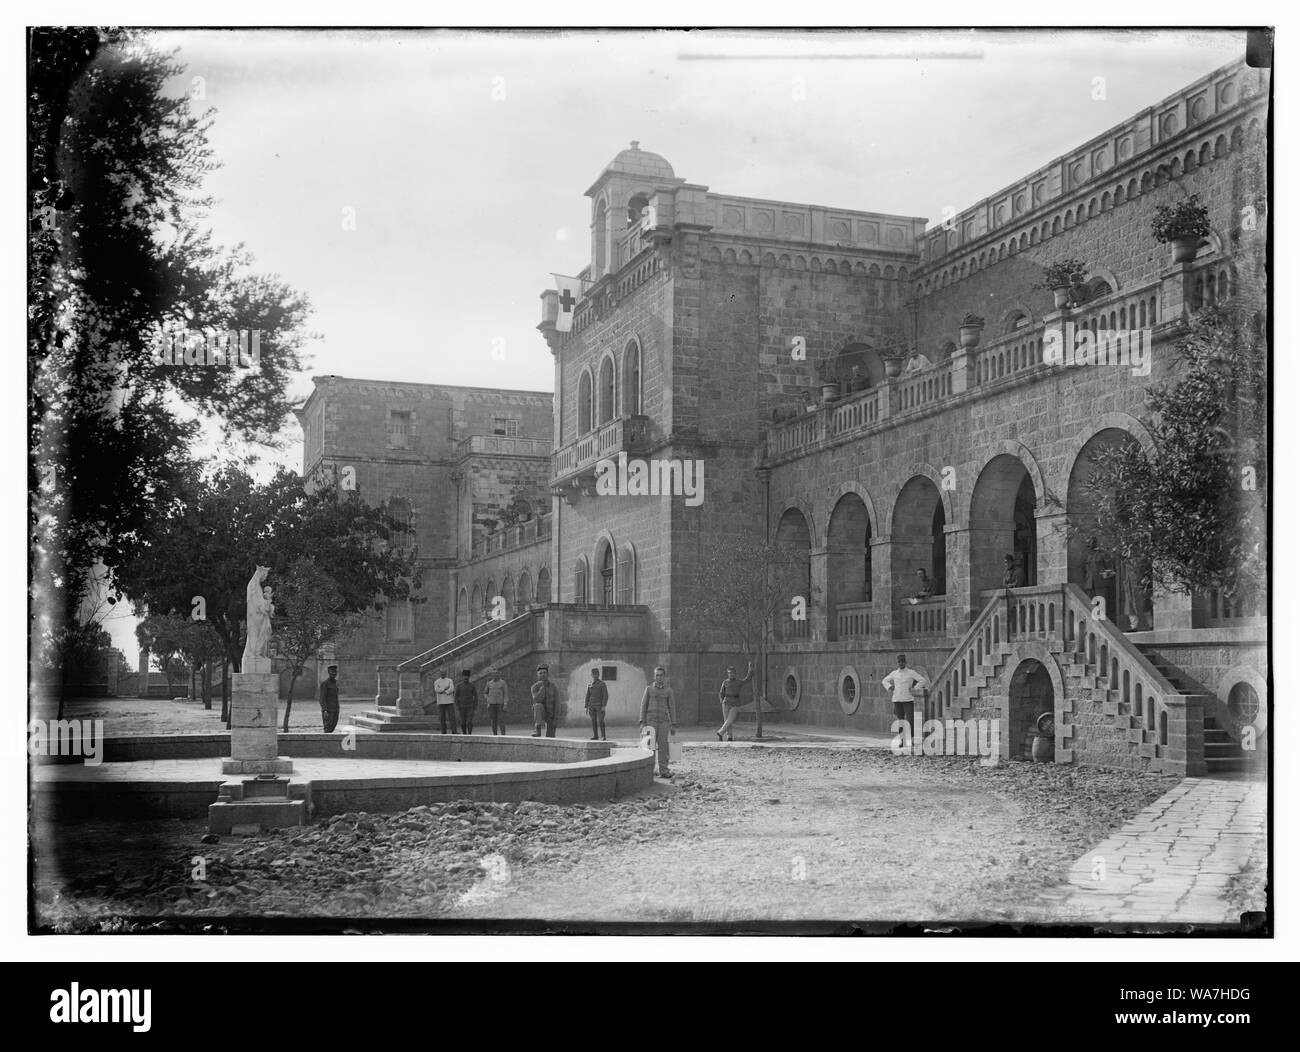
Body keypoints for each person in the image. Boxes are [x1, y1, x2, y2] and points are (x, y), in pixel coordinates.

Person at [638, 665, 677, 778]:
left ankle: (664, 770)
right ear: (654, 677)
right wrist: (642, 723)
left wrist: (673, 724)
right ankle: (648, 770)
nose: (659, 677)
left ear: (664, 677)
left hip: (664, 722)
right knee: (649, 747)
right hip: (651, 721)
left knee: (663, 747)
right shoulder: (649, 689)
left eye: (661, 675)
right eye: (657, 675)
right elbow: (643, 706)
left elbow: (672, 708)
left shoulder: (669, 691)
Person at [882, 654, 929, 742]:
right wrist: (889, 687)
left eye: (902, 662)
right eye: (899, 662)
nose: (901, 664)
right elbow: (884, 681)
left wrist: (914, 688)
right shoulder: (894, 673)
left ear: (905, 662)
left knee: (910, 720)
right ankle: (902, 740)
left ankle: (912, 739)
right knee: (900, 721)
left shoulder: (911, 672)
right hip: (897, 699)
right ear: (898, 663)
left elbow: (922, 680)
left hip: (908, 700)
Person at [716, 661, 753, 742]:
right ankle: (729, 737)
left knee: (730, 720)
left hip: (735, 703)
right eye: (730, 673)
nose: (731, 674)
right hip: (726, 703)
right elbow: (721, 692)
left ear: (735, 674)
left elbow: (747, 679)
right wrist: (722, 701)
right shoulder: (725, 682)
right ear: (728, 674)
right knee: (727, 721)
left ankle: (720, 732)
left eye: (733, 673)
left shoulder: (739, 682)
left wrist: (750, 669)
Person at [530, 664, 559, 737]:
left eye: (544, 673)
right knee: (537, 706)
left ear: (547, 674)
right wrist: (542, 688)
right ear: (538, 675)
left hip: (551, 714)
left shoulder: (553, 686)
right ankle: (537, 729)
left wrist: (555, 718)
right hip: (541, 712)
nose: (543, 675)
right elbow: (536, 699)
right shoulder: (534, 687)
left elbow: (557, 703)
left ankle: (550, 728)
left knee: (550, 737)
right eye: (540, 673)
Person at [584, 667, 609, 741]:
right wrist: (586, 706)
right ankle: (595, 735)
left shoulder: (602, 684)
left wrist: (604, 705)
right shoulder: (590, 684)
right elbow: (587, 696)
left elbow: (605, 695)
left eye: (596, 674)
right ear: (591, 675)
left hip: (599, 705)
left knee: (601, 720)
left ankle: (603, 736)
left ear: (598, 675)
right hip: (591, 705)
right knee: (593, 720)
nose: (595, 676)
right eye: (593, 674)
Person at [483, 666, 509, 735]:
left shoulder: (503, 683)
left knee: (501, 720)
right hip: (491, 704)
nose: (495, 675)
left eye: (496, 674)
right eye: (493, 674)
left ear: (499, 674)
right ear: (492, 675)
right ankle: (494, 734)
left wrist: (505, 704)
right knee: (493, 720)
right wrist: (488, 699)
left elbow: (506, 693)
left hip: (500, 704)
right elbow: (485, 693)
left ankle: (503, 735)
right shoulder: (489, 683)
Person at [432, 664, 457, 734]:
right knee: (442, 717)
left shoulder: (449, 680)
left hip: (449, 701)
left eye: (444, 673)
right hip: (441, 701)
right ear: (440, 673)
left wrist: (445, 691)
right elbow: (437, 690)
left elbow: (452, 689)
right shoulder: (436, 681)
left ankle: (454, 731)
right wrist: (444, 688)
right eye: (442, 673)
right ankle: (443, 731)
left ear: (446, 673)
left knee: (452, 717)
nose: (443, 674)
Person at [454, 669, 478, 735]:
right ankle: (464, 734)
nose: (466, 677)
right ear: (462, 677)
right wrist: (457, 705)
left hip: (470, 707)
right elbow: (456, 696)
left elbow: (475, 696)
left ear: (469, 677)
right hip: (462, 707)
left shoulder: (472, 685)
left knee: (469, 722)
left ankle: (470, 734)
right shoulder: (459, 686)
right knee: (463, 723)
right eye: (464, 676)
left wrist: (475, 706)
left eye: (467, 676)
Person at [319, 664, 340, 733]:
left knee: (333, 727)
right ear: (329, 672)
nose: (334, 673)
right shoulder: (325, 684)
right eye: (332, 671)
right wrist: (324, 710)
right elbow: (322, 698)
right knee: (327, 728)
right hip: (328, 711)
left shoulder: (335, 683)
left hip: (336, 709)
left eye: (335, 672)